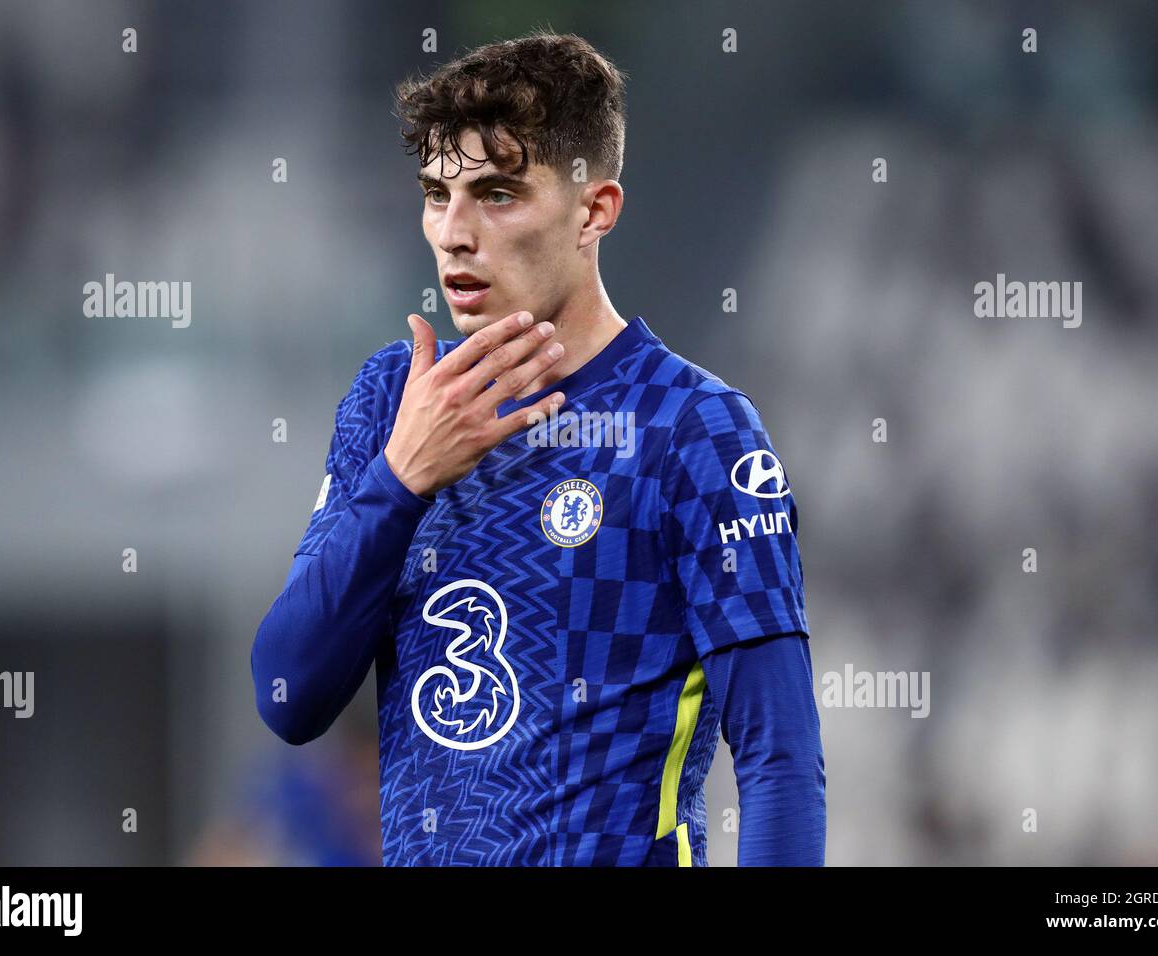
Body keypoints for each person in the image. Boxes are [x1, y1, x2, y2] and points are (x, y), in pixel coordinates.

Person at [251, 29, 824, 866]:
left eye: (497, 194)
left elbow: (779, 760)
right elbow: (287, 695)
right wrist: (402, 480)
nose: (453, 232)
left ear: (594, 210)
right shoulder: (392, 404)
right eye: (436, 194)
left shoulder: (691, 428)